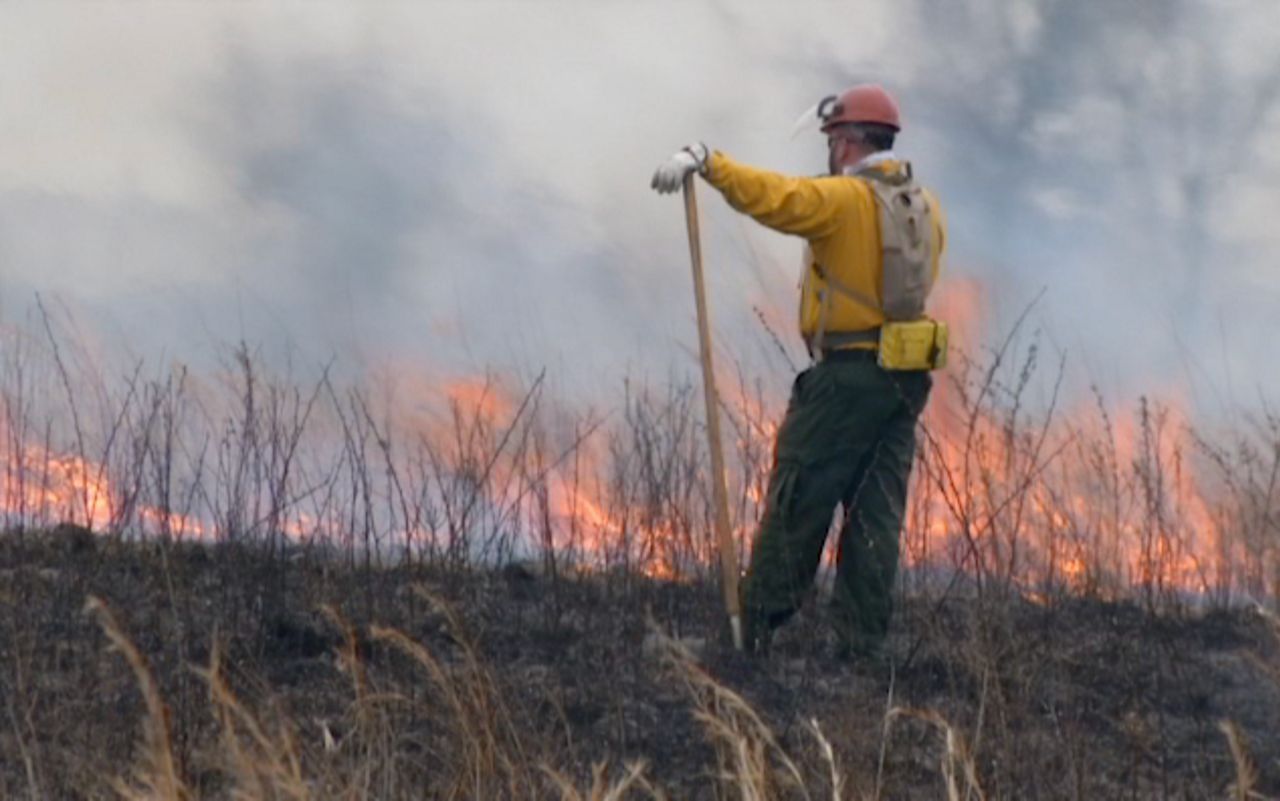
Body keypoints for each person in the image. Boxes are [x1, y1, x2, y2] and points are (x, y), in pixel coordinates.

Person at [650, 84, 946, 657]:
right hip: (904, 381)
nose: (829, 150)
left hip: (845, 379)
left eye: (832, 139)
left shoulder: (843, 199)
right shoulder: (925, 206)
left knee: (799, 496)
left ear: (848, 141)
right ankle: (860, 645)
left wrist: (708, 161)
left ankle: (750, 632)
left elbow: (777, 198)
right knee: (876, 514)